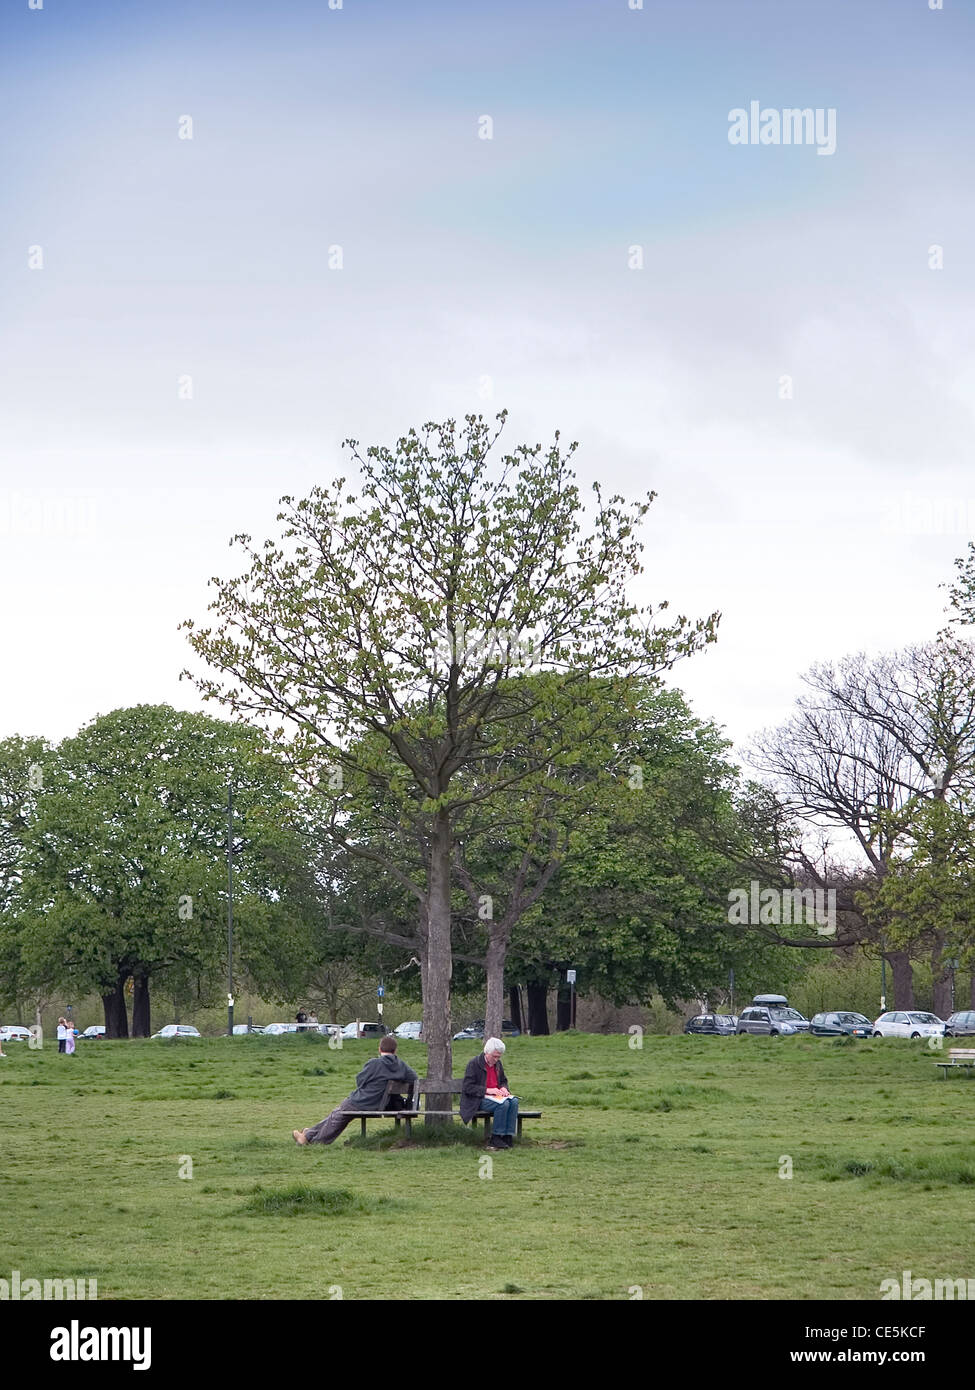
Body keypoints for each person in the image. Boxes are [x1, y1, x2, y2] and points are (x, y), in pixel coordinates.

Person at [293, 1035, 418, 1146]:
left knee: (338, 1114)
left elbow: (360, 1081)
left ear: (379, 1049)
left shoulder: (374, 1063)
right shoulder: (401, 1065)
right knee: (337, 1112)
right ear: (395, 1050)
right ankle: (307, 1134)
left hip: (364, 1101)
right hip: (383, 1104)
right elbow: (414, 1079)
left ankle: (315, 1142)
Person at [461, 1037, 519, 1149]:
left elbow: (503, 1081)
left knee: (514, 1101)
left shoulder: (498, 1064)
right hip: (478, 1100)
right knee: (503, 1104)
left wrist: (504, 1088)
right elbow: (467, 1087)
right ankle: (496, 1137)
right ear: (487, 1052)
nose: (496, 1059)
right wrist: (487, 1090)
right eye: (495, 1056)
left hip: (496, 1097)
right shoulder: (474, 1064)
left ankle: (508, 1136)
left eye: (499, 1056)